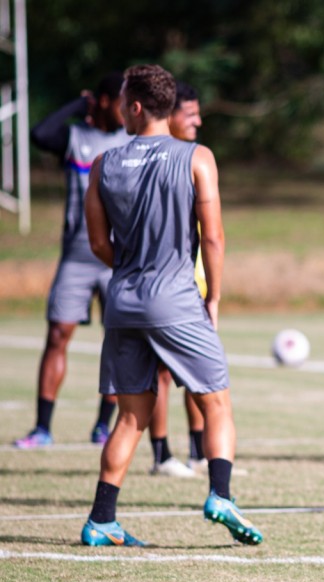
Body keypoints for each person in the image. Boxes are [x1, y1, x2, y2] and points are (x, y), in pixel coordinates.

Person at [80, 64, 262, 547]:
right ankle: (220, 494)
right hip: (176, 300)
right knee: (215, 401)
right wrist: (213, 296)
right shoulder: (197, 157)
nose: (120, 109)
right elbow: (213, 237)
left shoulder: (103, 164)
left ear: (137, 107)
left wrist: (131, 267)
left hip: (122, 302)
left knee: (130, 416)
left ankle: (101, 519)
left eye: (123, 101)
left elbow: (97, 243)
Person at [12, 72, 131, 449]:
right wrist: (80, 105)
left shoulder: (132, 141)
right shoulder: (76, 137)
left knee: (119, 343)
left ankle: (102, 426)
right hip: (77, 258)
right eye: (120, 102)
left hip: (118, 260)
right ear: (104, 102)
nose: (126, 110)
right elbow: (40, 134)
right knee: (57, 336)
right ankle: (42, 429)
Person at [148, 80, 208, 477]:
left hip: (194, 282)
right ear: (168, 115)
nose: (197, 122)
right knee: (162, 372)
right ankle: (161, 456)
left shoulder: (196, 158)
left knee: (201, 371)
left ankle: (199, 454)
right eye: (190, 114)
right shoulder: (154, 162)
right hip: (165, 285)